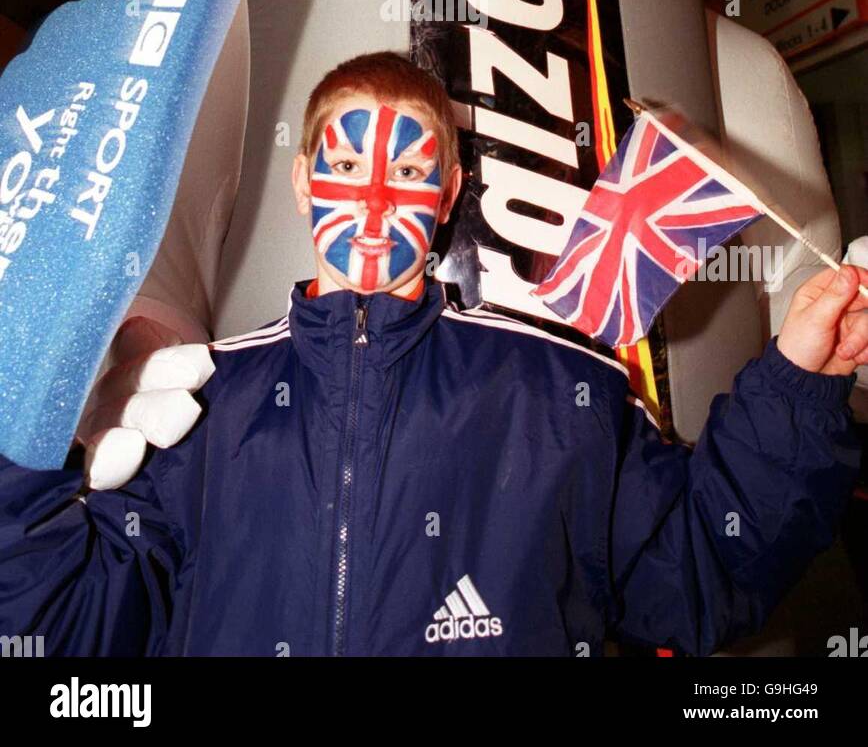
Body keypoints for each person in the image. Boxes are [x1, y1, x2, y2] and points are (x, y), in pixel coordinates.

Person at [0, 51, 864, 658]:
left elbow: (702, 574)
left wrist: (801, 389)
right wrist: (23, 442)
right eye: (345, 168)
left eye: (408, 175)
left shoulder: (560, 389)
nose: (375, 204)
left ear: (448, 194)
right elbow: (66, 630)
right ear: (301, 180)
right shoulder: (199, 405)